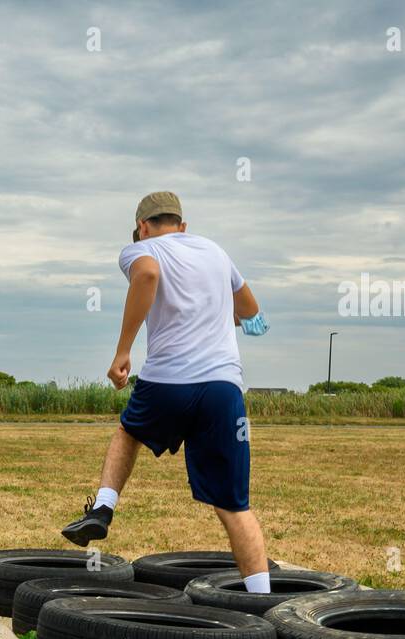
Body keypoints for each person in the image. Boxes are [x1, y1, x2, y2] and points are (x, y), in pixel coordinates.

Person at [61, 191, 274, 593]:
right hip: (222, 387)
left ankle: (103, 509)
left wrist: (123, 350)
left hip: (168, 380)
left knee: (129, 433)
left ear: (142, 228)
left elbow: (146, 275)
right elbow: (251, 313)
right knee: (234, 505)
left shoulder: (139, 250)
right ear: (182, 225)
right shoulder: (215, 252)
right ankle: (261, 602)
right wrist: (226, 316)